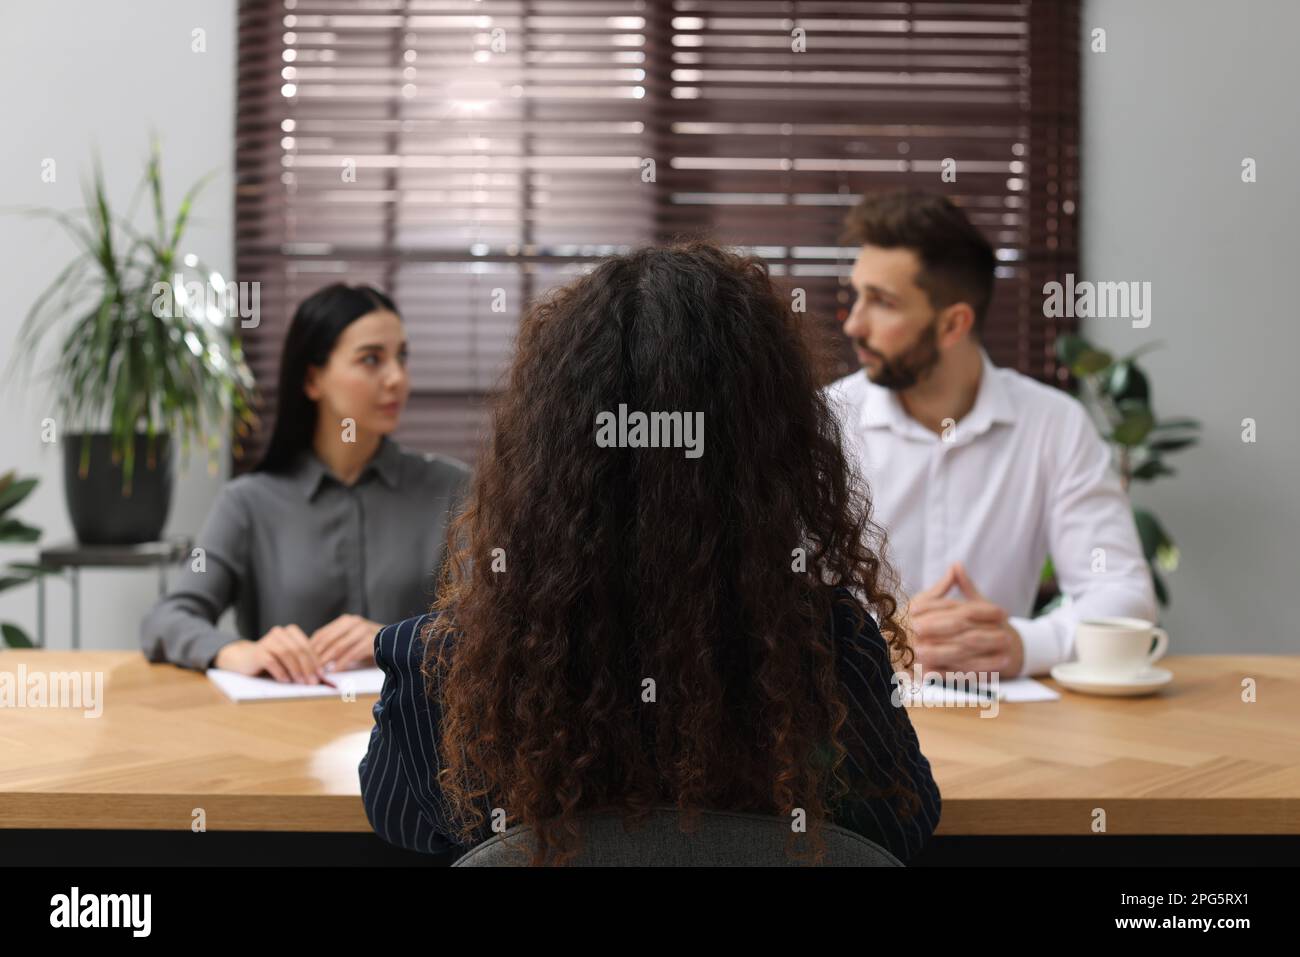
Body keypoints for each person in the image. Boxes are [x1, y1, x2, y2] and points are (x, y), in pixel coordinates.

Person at [360, 241, 941, 866]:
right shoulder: (832, 654)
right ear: (780, 454)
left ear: (539, 452)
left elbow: (403, 820)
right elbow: (898, 825)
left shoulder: (442, 672)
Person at [826, 189, 1156, 679]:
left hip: (1011, 728)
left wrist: (1023, 644)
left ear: (953, 323)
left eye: (883, 302)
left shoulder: (1054, 425)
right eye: (857, 295)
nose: (855, 323)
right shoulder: (823, 422)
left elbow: (1123, 594)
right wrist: (883, 633)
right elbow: (770, 599)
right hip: (853, 731)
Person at [140, 284, 471, 681]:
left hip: (418, 737)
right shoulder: (248, 503)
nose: (397, 378)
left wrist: (398, 642)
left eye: (402, 357)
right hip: (282, 732)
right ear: (313, 380)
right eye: (371, 360)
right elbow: (167, 618)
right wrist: (235, 651)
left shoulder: (454, 489)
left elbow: (497, 624)